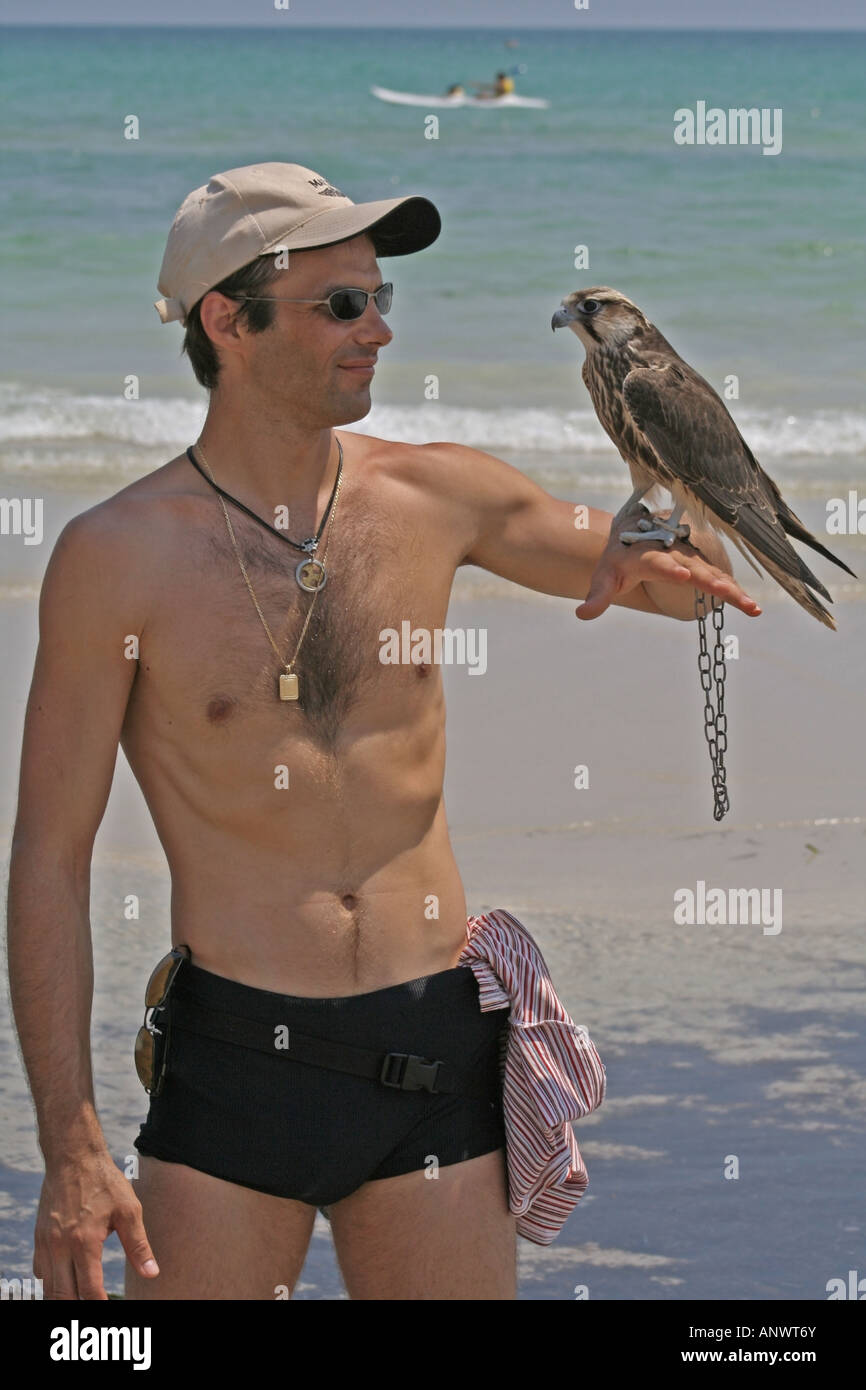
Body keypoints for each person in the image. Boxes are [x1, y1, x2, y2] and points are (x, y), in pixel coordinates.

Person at [6, 162, 759, 1302]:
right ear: (229, 319)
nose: (379, 331)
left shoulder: (440, 496)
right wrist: (70, 1144)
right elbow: (50, 862)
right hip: (231, 1072)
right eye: (342, 305)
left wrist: (670, 510)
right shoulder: (117, 557)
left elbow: (676, 576)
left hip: (432, 1064)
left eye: (382, 300)